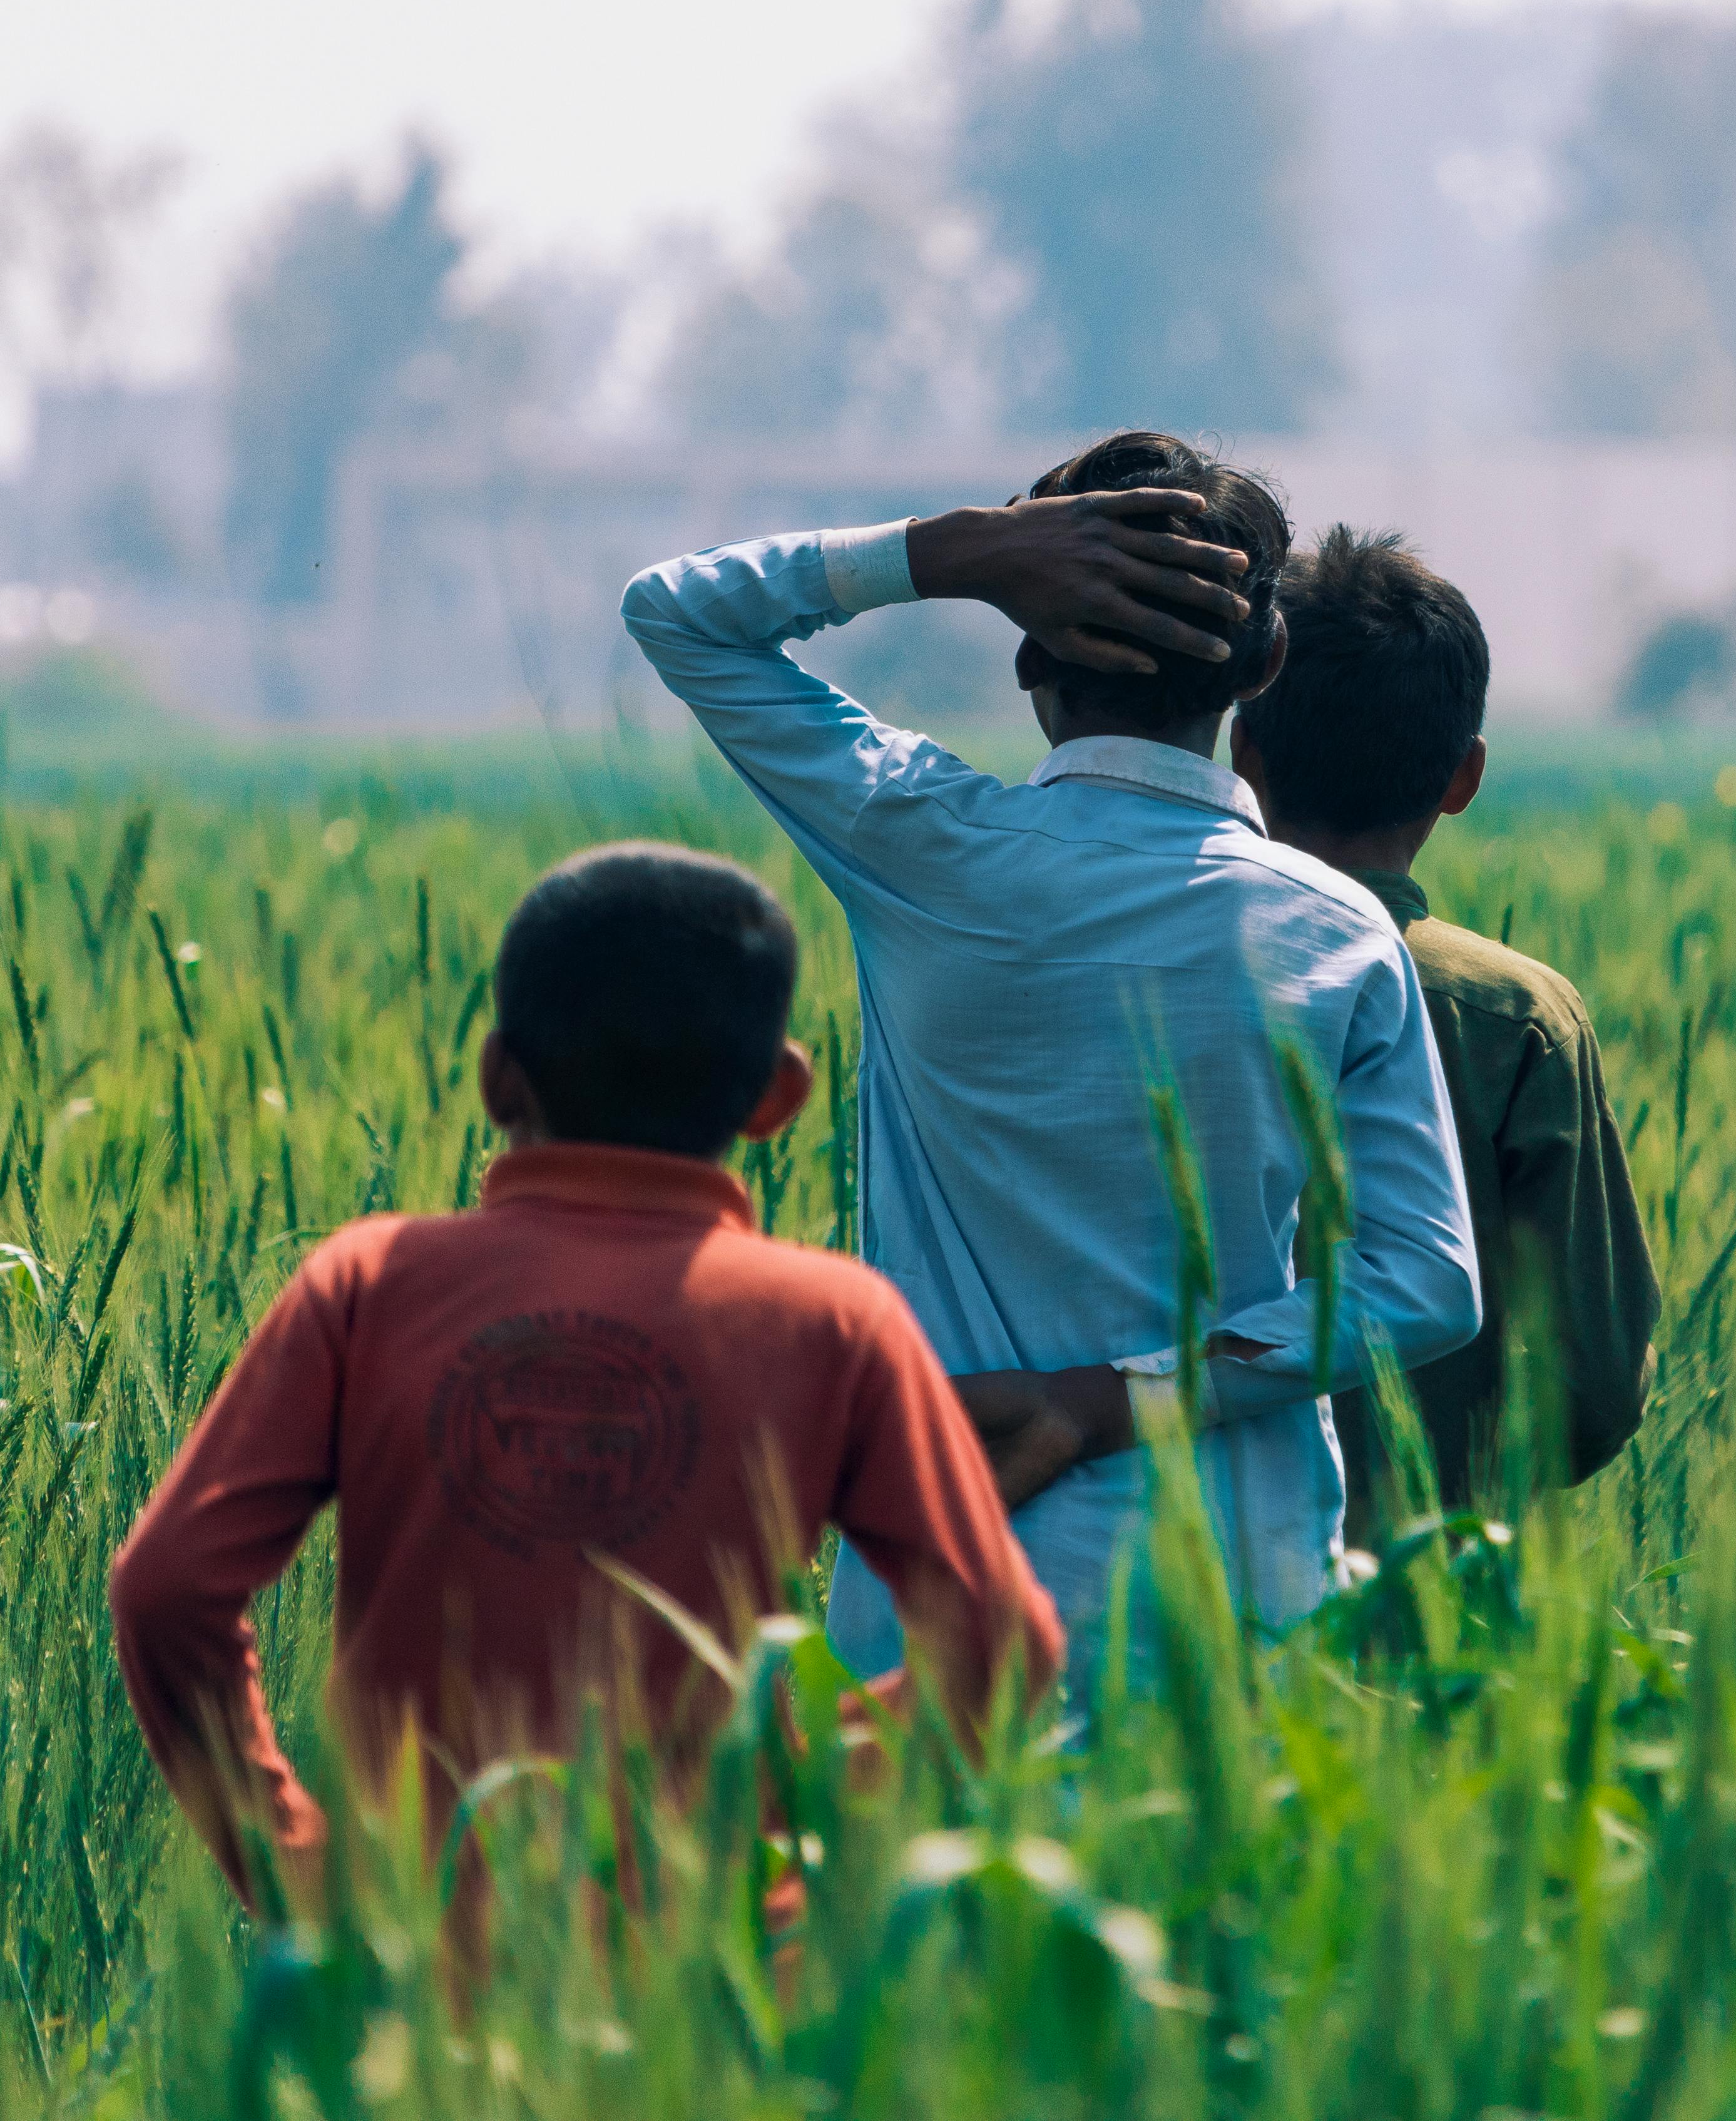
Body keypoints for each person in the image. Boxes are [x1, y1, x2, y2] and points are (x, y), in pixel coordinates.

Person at [620, 431, 1482, 1685]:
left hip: (938, 1593)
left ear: (1025, 645)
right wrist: (1102, 1400)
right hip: (1235, 1601)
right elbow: (1425, 1287)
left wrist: (956, 551)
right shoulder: (1337, 928)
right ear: (1270, 662)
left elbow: (678, 613)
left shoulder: (915, 841)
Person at [107, 844, 1062, 1916]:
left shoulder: (369, 1282)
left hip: (412, 1980)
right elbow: (1000, 1644)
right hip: (718, 1976)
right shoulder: (834, 1322)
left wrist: (293, 1871)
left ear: (497, 1074)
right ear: (777, 1097)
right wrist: (787, 1799)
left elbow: (168, 1586)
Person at [1229, 528, 1658, 1530]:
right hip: (1419, 1594)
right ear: (1463, 777)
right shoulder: (1517, 1019)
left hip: (1148, 1578)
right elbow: (1589, 1389)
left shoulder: (1138, 965)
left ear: (1241, 752)